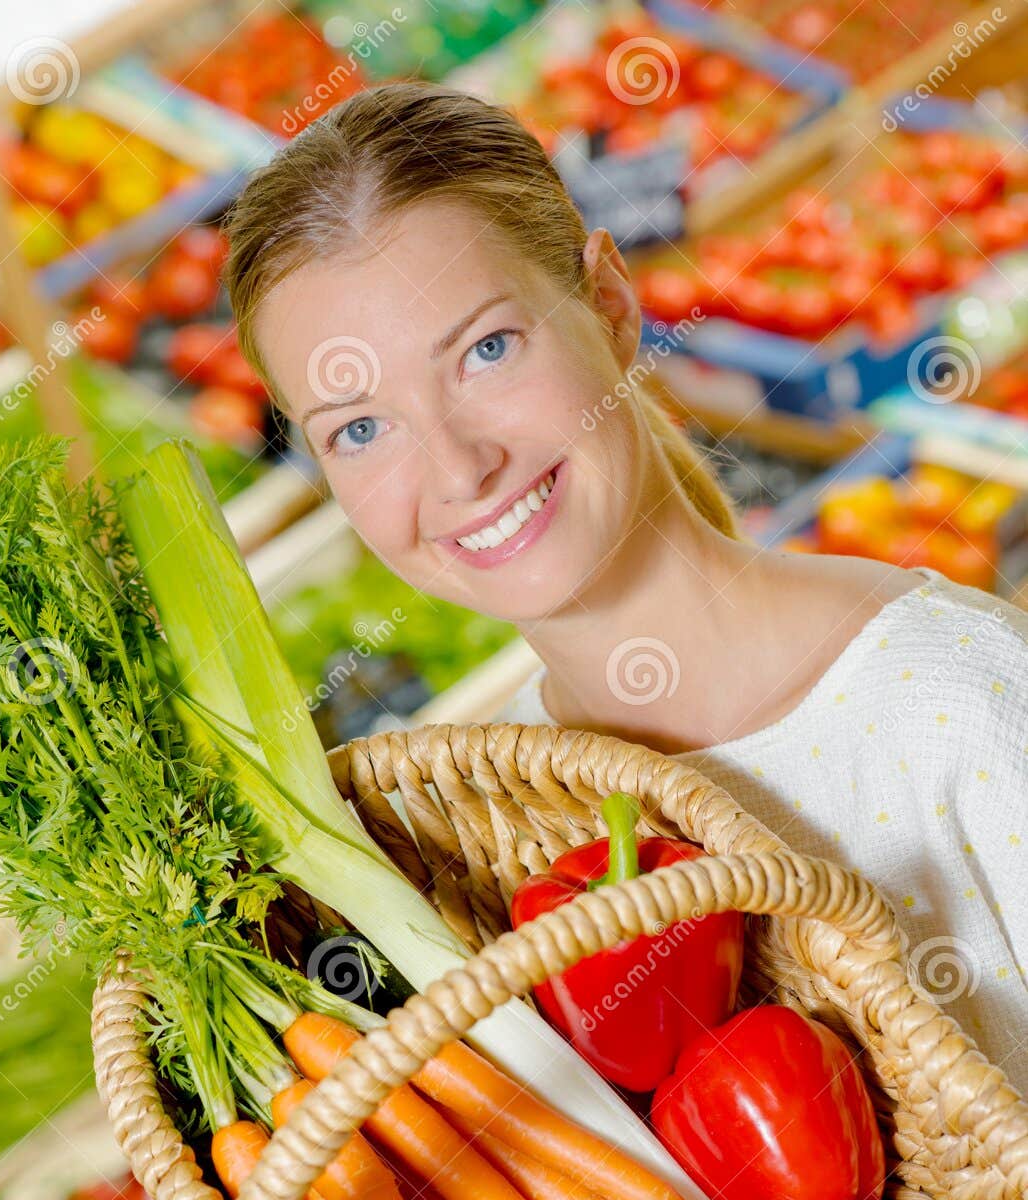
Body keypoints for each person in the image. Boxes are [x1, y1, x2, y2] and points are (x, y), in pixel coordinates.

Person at [225, 82, 1028, 1095]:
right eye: (359, 427)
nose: (459, 469)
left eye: (485, 350)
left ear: (608, 309)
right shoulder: (480, 835)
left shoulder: (961, 702)